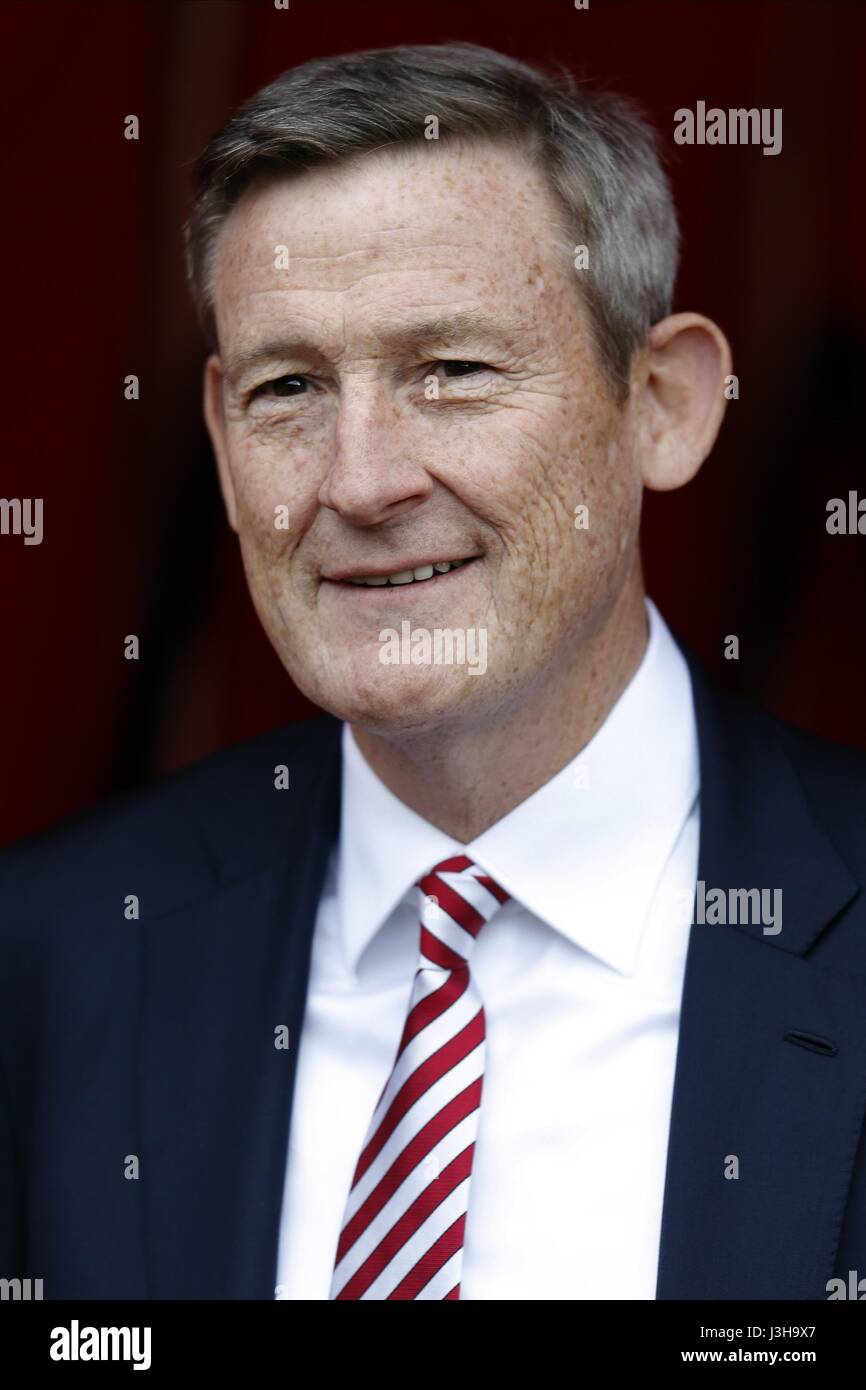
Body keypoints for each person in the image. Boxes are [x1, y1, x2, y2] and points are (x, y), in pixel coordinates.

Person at [2, 43, 865, 1302]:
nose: (359, 482)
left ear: (662, 404)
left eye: (451, 372)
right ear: (222, 442)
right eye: (288, 388)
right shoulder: (53, 952)